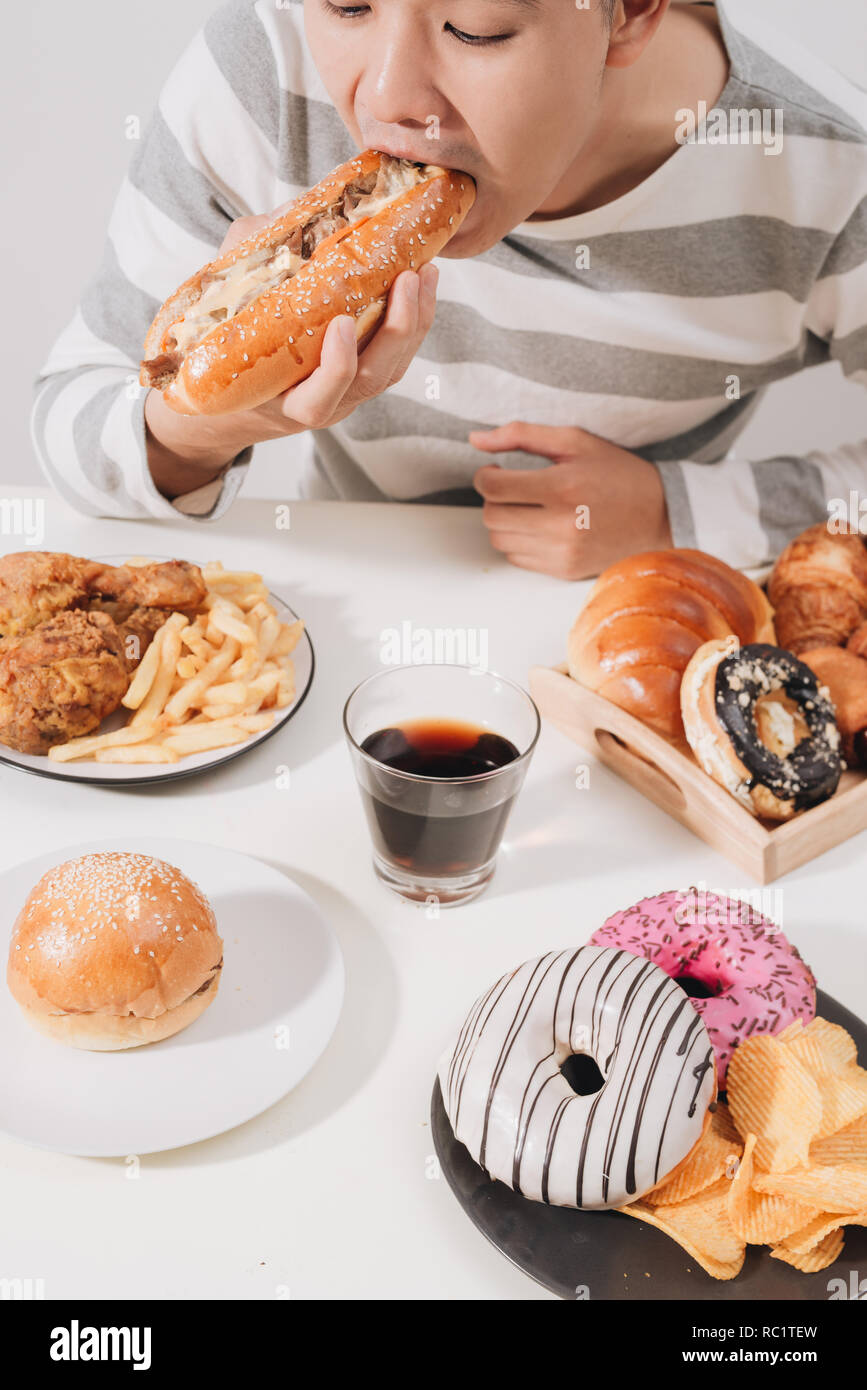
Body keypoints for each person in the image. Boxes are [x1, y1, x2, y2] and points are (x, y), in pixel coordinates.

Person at [31, 0, 867, 579]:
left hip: (635, 609)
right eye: (349, 6)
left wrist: (676, 515)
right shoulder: (262, 68)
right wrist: (203, 430)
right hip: (343, 605)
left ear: (633, 11)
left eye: (475, 28)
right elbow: (70, 416)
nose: (390, 98)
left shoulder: (827, 169)